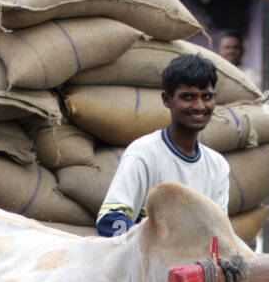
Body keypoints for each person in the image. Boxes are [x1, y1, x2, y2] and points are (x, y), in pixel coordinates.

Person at [96, 54, 230, 238]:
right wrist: (158, 244)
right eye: (188, 97)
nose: (199, 106)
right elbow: (110, 221)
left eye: (206, 97)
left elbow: (219, 232)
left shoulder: (218, 165)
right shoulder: (143, 153)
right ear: (167, 100)